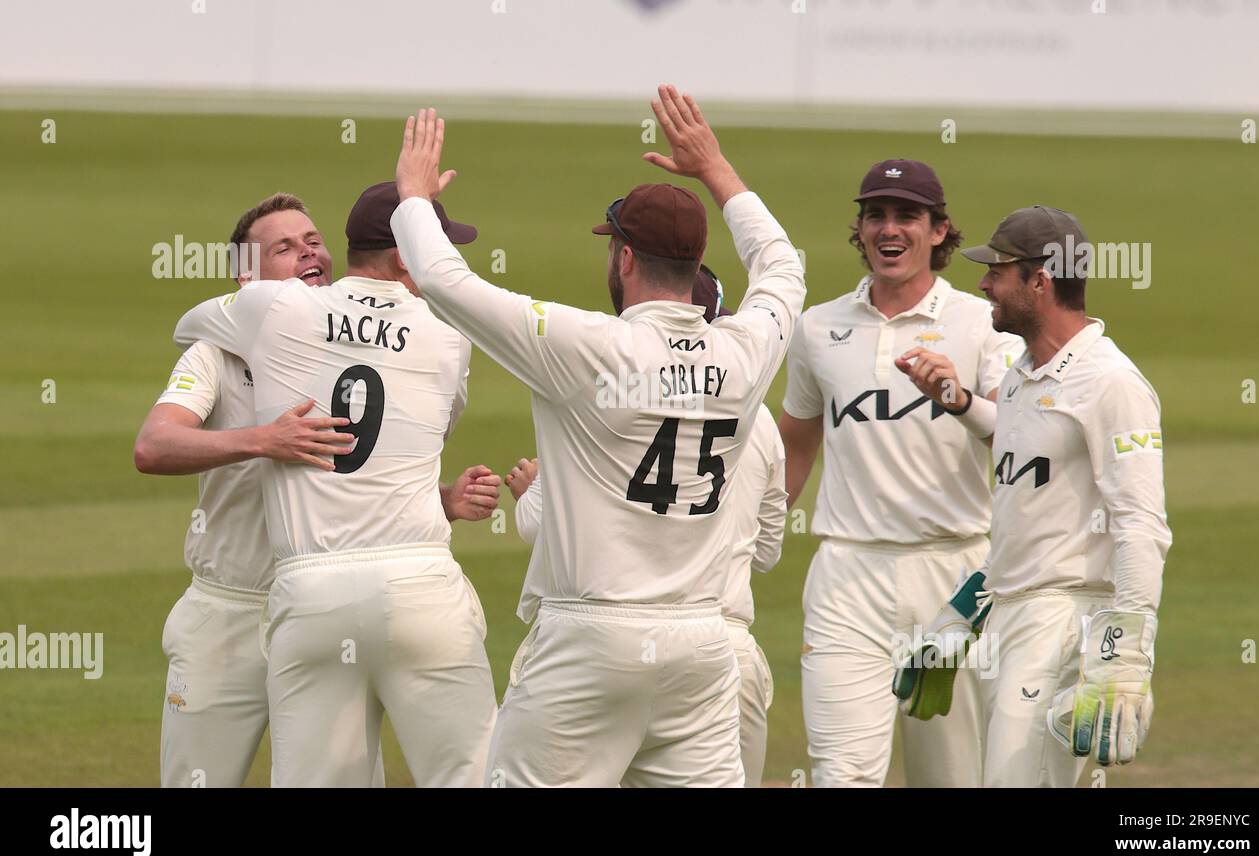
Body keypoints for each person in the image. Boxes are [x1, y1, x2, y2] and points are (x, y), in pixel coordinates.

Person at [389, 86, 805, 786]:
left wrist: (412, 196)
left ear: (624, 259)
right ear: (699, 262)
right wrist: (716, 168)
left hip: (590, 642)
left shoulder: (583, 344)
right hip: (702, 648)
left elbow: (440, 276)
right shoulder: (745, 353)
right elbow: (782, 265)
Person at [167, 183, 500, 787]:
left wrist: (444, 501)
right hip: (234, 611)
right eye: (286, 248)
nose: (308, 254)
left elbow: (382, 473)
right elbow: (152, 445)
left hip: (316, 598)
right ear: (248, 278)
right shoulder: (216, 355)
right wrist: (260, 439)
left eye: (314, 241)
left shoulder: (312, 329)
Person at [898, 206, 1171, 786]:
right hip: (1013, 623)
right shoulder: (1023, 375)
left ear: (1039, 281)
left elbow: (1141, 526)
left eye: (998, 272)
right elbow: (1028, 511)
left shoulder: (1111, 383)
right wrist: (961, 616)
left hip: (1063, 625)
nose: (984, 284)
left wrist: (1125, 657)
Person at [778, 160, 1021, 787]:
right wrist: (747, 537)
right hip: (846, 574)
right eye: (876, 216)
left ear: (940, 231)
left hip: (954, 576)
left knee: (952, 777)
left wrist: (960, 397)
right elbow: (796, 443)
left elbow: (1022, 441)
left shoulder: (982, 324)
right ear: (858, 231)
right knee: (841, 772)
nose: (890, 229)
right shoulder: (818, 327)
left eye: (907, 216)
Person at [505, 267, 787, 787]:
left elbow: (546, 527)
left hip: (617, 644)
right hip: (725, 655)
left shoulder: (609, 389)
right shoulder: (758, 415)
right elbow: (767, 550)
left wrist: (535, 494)